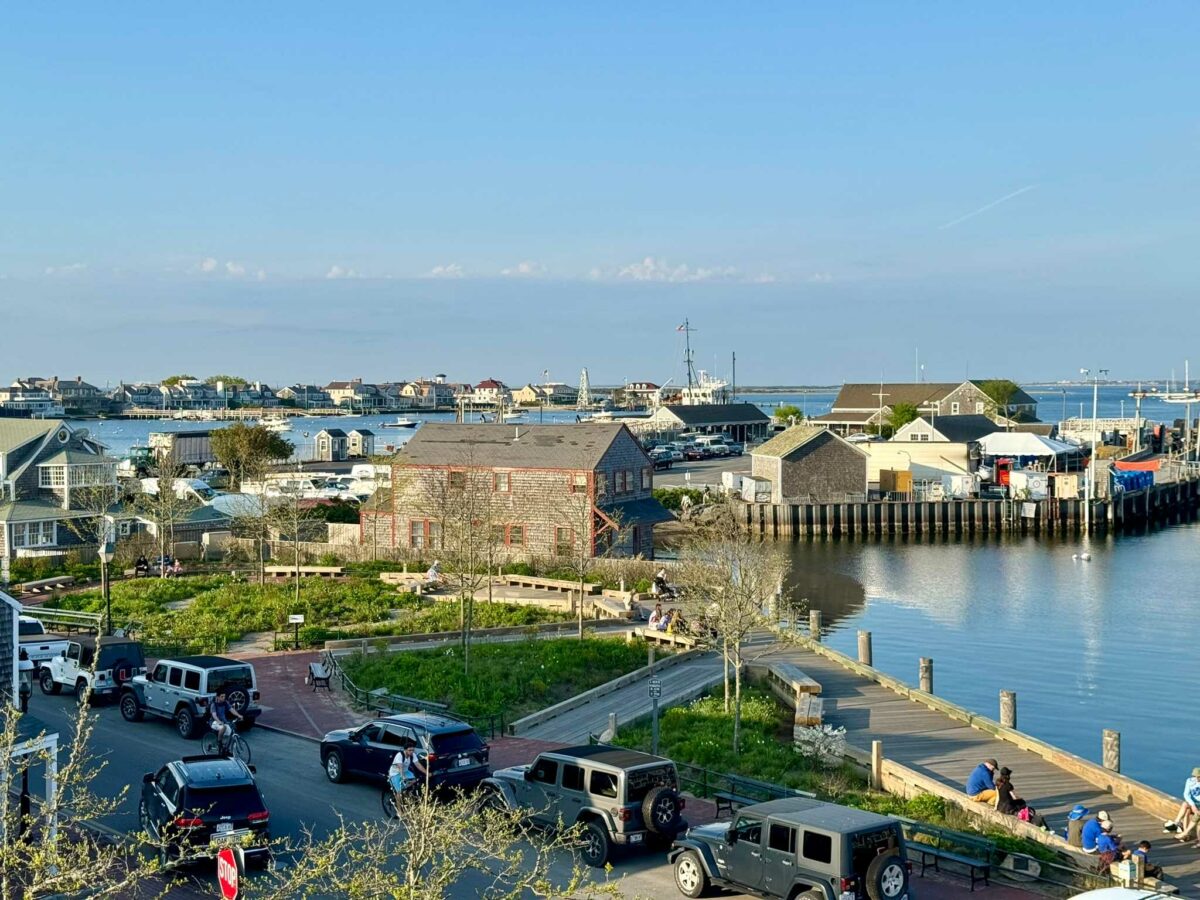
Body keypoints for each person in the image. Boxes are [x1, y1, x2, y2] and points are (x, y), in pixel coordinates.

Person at [1164, 767, 1200, 836]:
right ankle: (1177, 823)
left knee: (1188, 811)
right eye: (1195, 776)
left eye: (1198, 777)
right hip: (1194, 803)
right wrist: (1192, 805)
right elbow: (1186, 794)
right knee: (1185, 805)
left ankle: (1185, 833)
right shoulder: (1190, 781)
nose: (1196, 778)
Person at [209, 689, 243, 754]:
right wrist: (219, 721)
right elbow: (214, 715)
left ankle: (225, 748)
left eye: (224, 696)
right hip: (214, 722)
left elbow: (231, 709)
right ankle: (219, 745)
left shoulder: (225, 703)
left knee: (230, 734)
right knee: (223, 727)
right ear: (217, 697)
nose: (223, 698)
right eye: (222, 696)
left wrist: (238, 715)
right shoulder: (214, 704)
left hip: (223, 721)